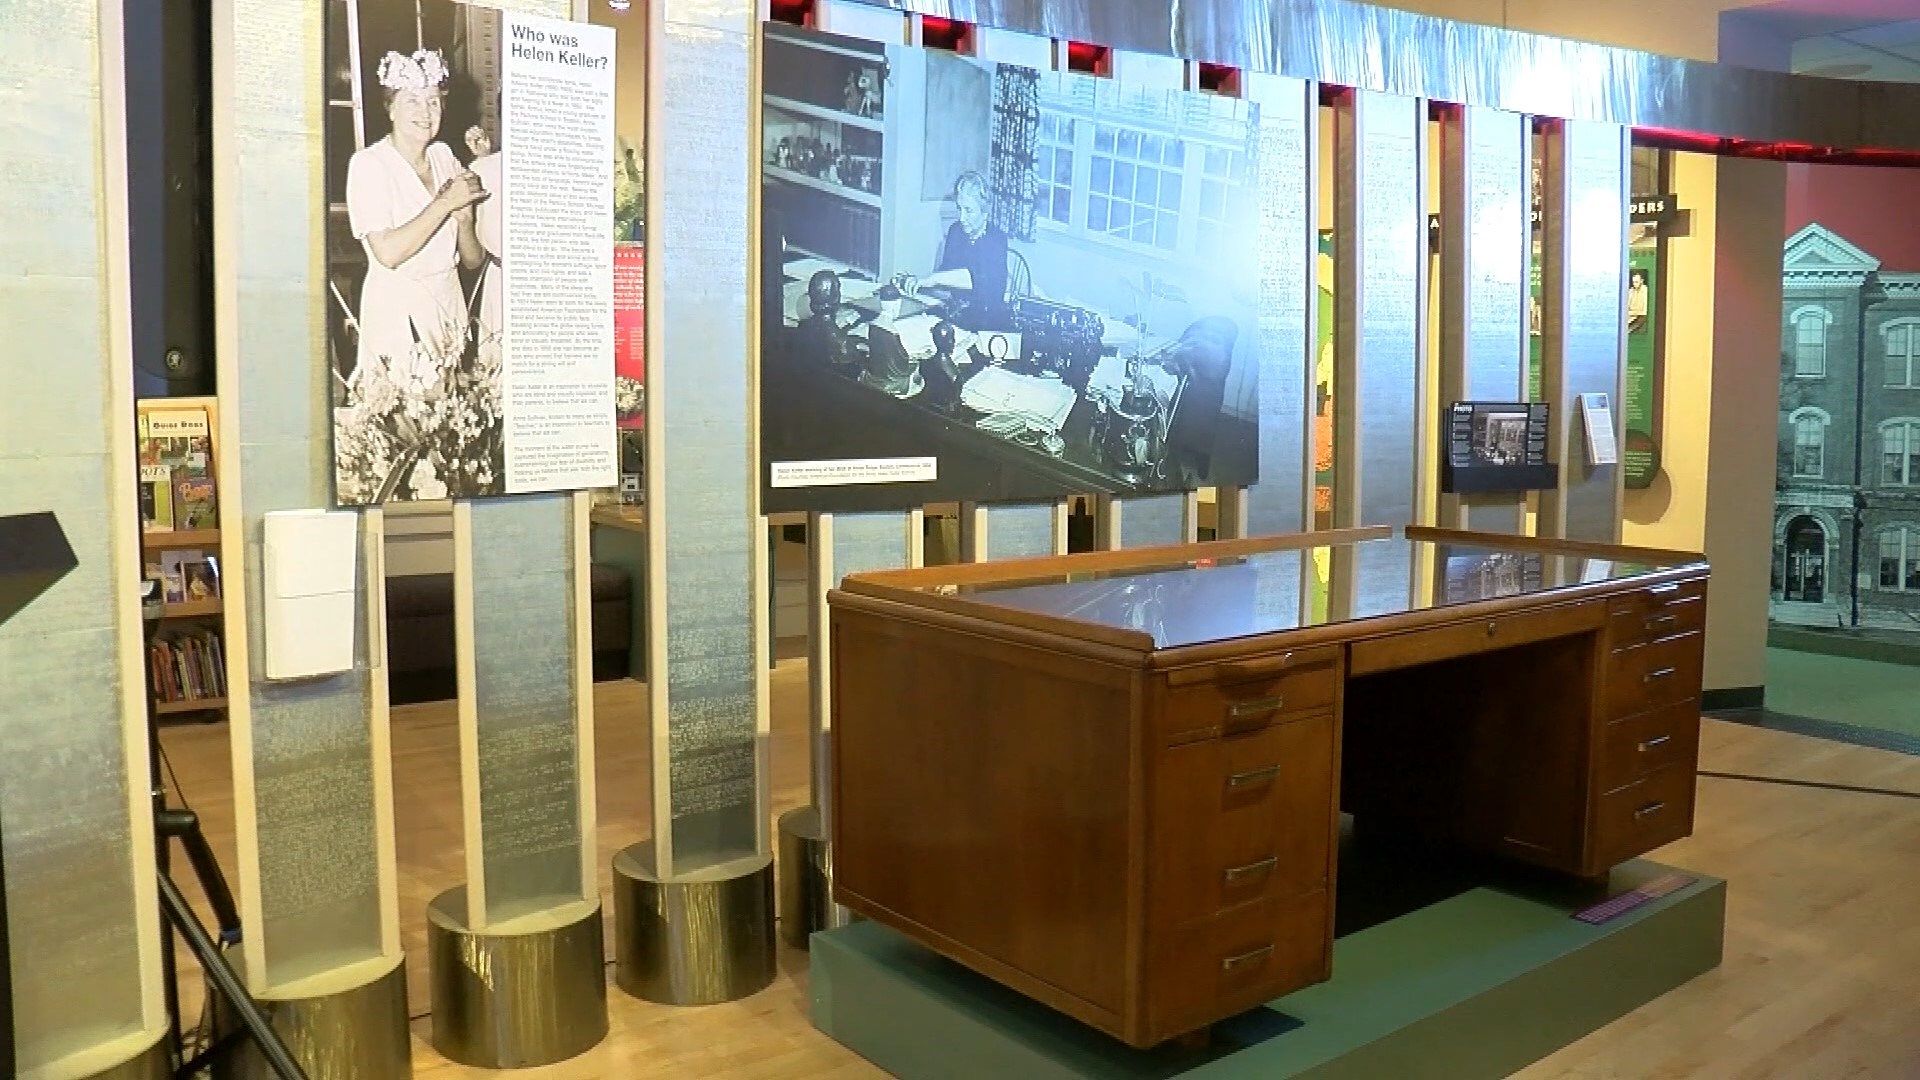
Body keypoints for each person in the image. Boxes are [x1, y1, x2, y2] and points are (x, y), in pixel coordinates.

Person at [345, 48, 488, 393]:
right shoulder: (369, 165)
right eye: (412, 101)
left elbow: (473, 260)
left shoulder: (443, 156)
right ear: (390, 108)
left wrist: (465, 221)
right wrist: (444, 204)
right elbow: (388, 253)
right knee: (406, 429)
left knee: (452, 429)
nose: (426, 112)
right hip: (397, 312)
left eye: (434, 101)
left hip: (448, 307)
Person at [902, 171, 1012, 331]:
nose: (962, 217)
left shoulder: (996, 239)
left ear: (985, 212)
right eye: (959, 209)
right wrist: (916, 283)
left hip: (987, 321)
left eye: (969, 210)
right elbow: (946, 274)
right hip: (957, 315)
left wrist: (931, 279)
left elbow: (976, 279)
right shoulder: (955, 232)